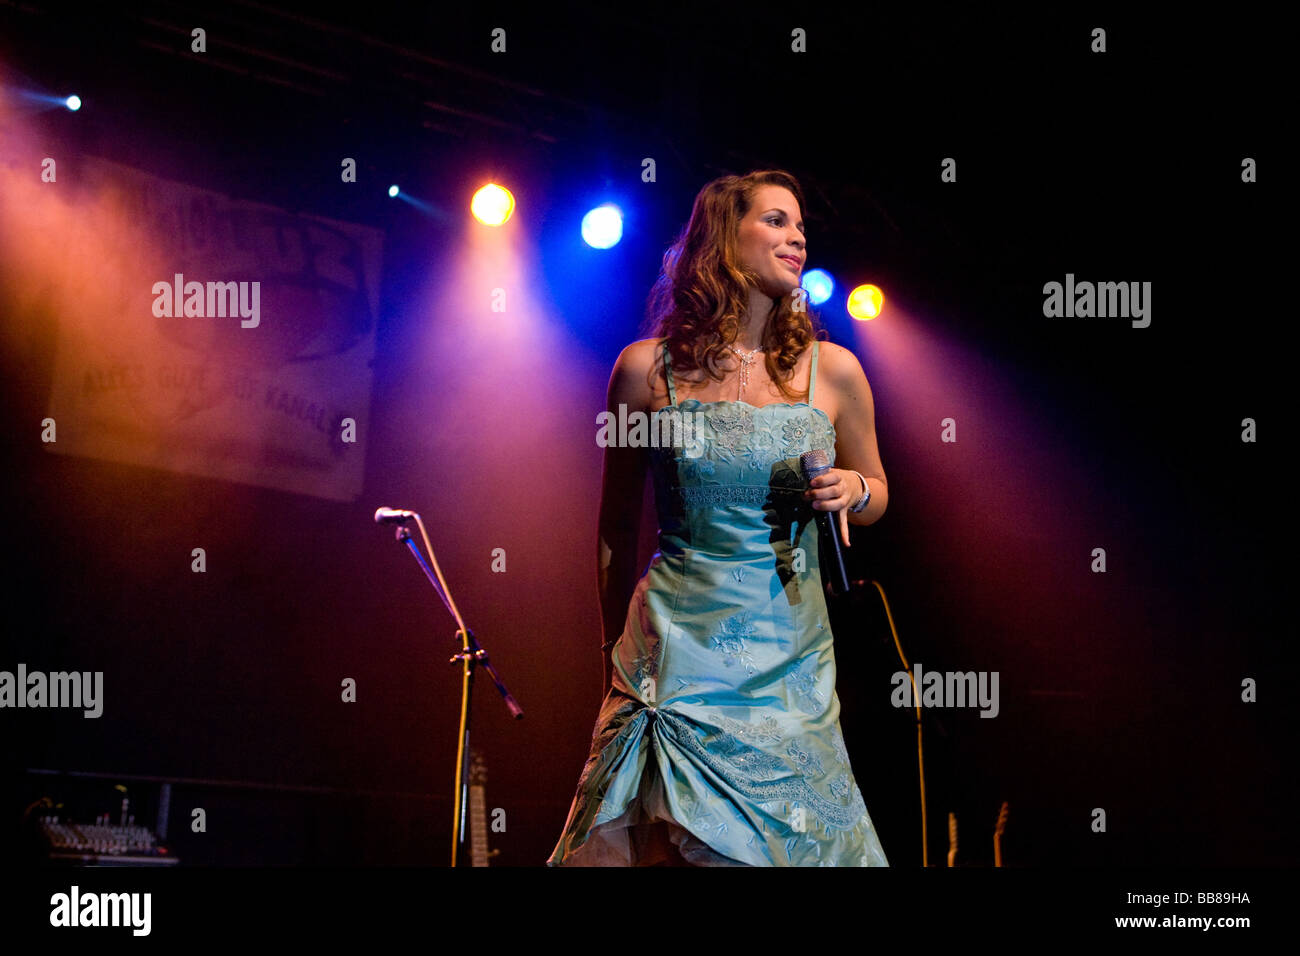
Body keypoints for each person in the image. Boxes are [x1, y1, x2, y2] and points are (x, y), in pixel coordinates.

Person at [547, 170, 890, 866]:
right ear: (724, 241)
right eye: (775, 221)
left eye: (800, 226)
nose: (796, 237)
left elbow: (879, 489)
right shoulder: (646, 371)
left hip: (788, 656)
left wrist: (855, 487)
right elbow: (614, 527)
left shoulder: (838, 372)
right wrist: (612, 651)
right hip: (673, 653)